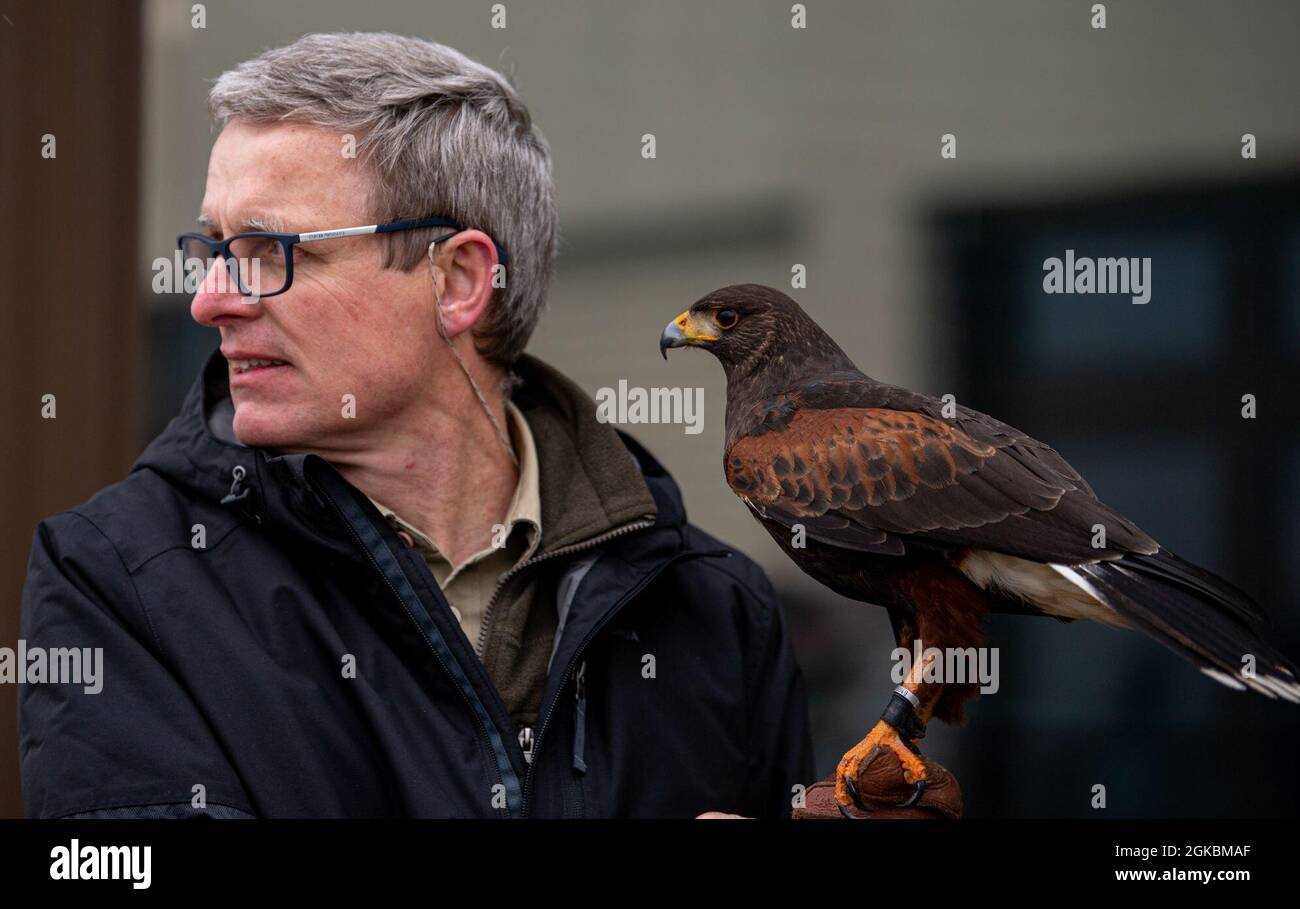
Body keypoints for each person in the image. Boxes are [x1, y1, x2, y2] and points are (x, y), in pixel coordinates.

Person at [16, 32, 816, 819]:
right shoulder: (120, 578)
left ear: (458, 279)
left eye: (270, 251)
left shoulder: (714, 612)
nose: (210, 298)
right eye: (214, 247)